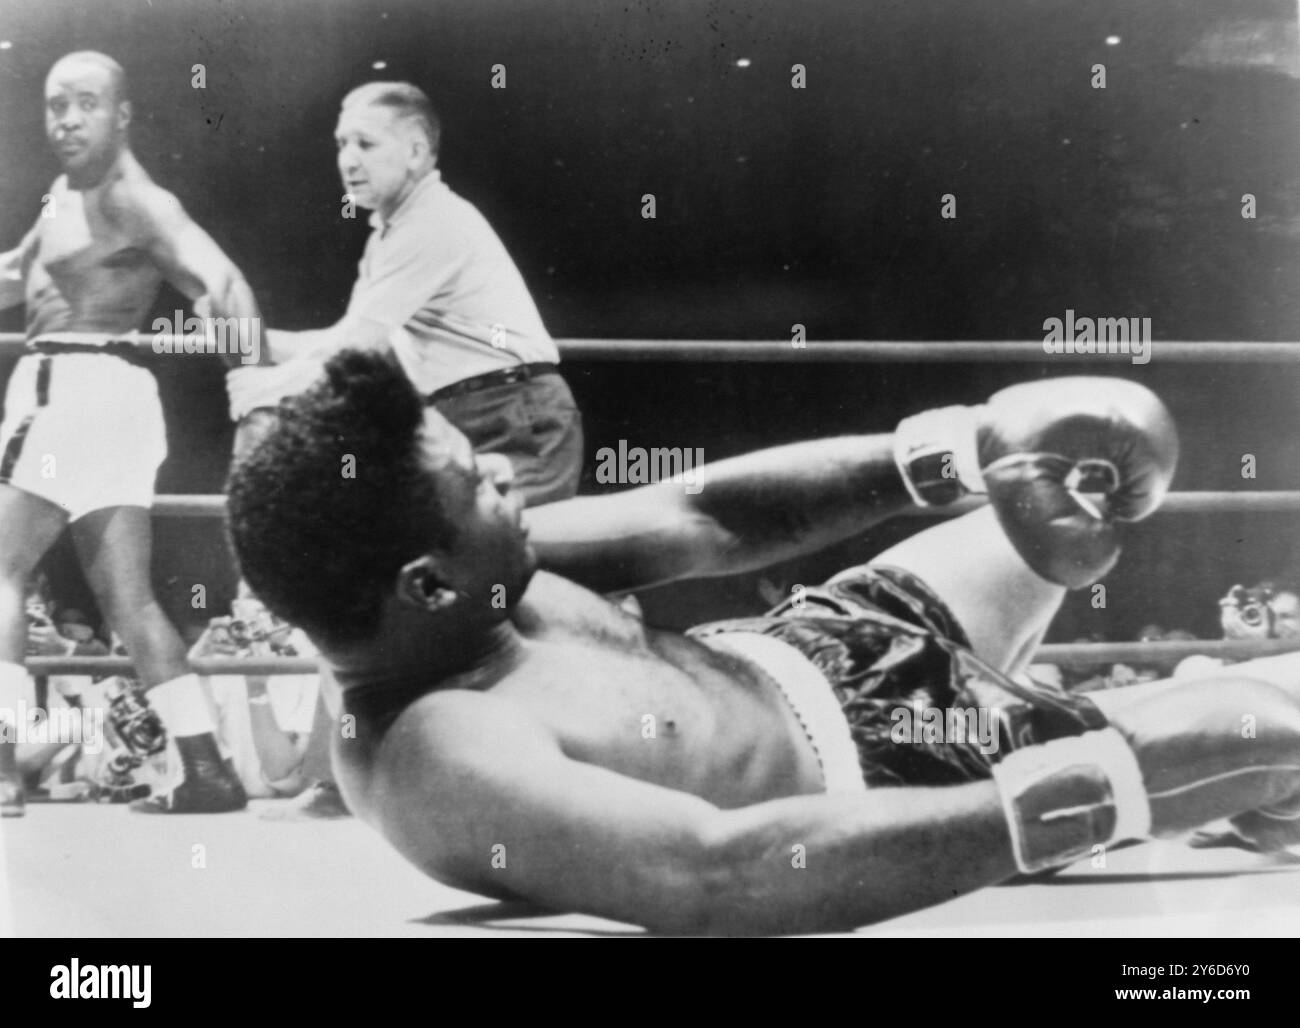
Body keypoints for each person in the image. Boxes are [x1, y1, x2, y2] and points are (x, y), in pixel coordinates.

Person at [227, 354, 1300, 934]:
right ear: (423, 581)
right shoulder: (434, 754)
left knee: (1069, 466)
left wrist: (954, 447)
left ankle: (1246, 777)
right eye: (480, 479)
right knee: (1271, 721)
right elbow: (719, 876)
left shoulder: (471, 575)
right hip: (906, 767)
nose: (509, 475)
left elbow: (710, 515)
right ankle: (1249, 764)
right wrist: (1089, 788)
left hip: (825, 637)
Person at [0, 51, 260, 815]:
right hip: (112, 400)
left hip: (72, 386)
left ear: (123, 113)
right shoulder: (65, 193)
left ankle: (2, 768)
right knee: (129, 600)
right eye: (55, 106)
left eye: (85, 104)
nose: (67, 120)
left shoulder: (134, 200)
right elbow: (19, 274)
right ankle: (207, 768)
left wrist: (252, 389)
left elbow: (223, 280)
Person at [228, 80, 582, 506]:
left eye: (366, 144)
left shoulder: (432, 222)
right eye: (341, 143)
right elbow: (344, 341)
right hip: (467, 416)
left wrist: (261, 387)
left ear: (415, 152)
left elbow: (355, 353)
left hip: (514, 421)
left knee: (473, 558)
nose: (348, 160)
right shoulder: (389, 236)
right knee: (419, 551)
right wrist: (234, 340)